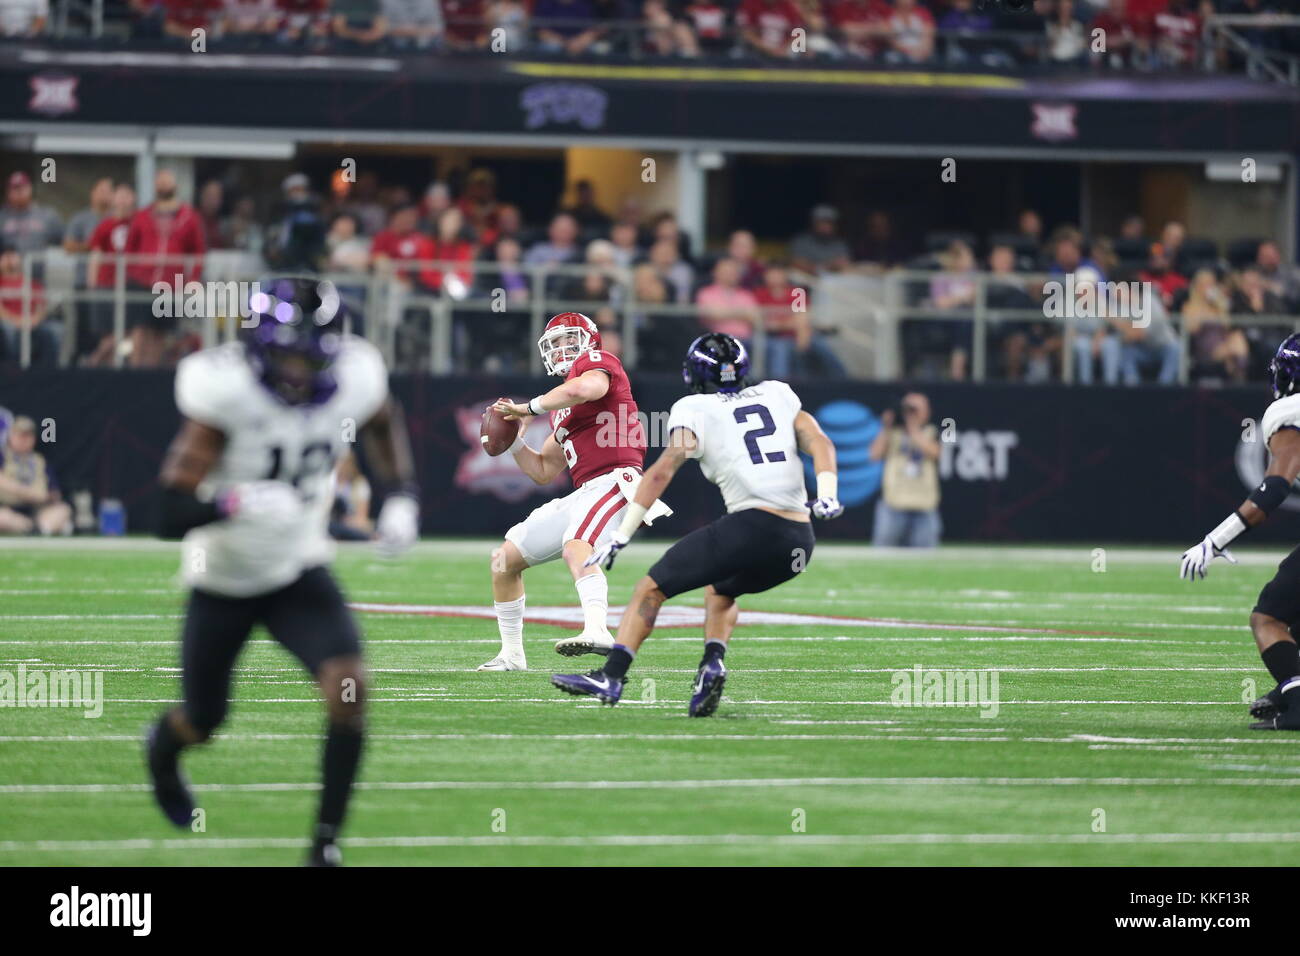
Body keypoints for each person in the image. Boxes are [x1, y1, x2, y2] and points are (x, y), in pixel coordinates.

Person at [146, 277, 420, 866]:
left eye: (309, 358)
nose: (298, 372)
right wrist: (232, 502)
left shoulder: (356, 373)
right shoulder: (224, 391)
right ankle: (162, 751)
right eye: (287, 356)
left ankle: (324, 844)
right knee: (204, 719)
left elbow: (380, 420)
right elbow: (167, 512)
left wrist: (400, 494)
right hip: (225, 575)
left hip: (298, 564)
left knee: (350, 690)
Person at [553, 332, 843, 713]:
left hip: (752, 525)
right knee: (721, 590)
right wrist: (828, 492)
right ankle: (712, 663)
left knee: (649, 590)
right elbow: (819, 441)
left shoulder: (693, 407)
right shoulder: (778, 393)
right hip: (799, 541)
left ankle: (612, 676)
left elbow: (663, 470)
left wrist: (623, 534)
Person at [478, 312, 669, 670]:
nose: (562, 349)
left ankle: (598, 630)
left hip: (618, 479)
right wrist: (514, 441)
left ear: (589, 340)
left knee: (576, 546)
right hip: (585, 491)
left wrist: (528, 407)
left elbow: (585, 388)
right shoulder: (561, 411)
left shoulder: (597, 363)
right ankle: (512, 654)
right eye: (555, 344)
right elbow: (544, 470)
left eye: (569, 339)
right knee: (504, 560)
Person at [1179, 333, 1300, 731]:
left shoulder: (1289, 410)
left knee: (1267, 618)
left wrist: (1215, 540)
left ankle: (1297, 702)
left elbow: (1276, 487)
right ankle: (1290, 691)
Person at [868, 392, 941, 547]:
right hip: (893, 505)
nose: (910, 413)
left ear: (927, 412)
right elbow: (874, 454)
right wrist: (886, 427)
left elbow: (935, 453)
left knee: (925, 563)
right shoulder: (892, 433)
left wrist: (913, 428)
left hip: (924, 506)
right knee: (884, 559)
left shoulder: (933, 431)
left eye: (915, 409)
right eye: (907, 409)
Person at [0, 415, 72, 535]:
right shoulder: (2, 457)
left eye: (28, 436)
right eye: (20, 435)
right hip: (8, 509)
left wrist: (47, 497)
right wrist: (26, 492)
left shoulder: (40, 460)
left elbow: (54, 493)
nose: (24, 440)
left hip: (37, 511)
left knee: (63, 510)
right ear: (11, 436)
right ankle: (30, 528)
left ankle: (39, 529)